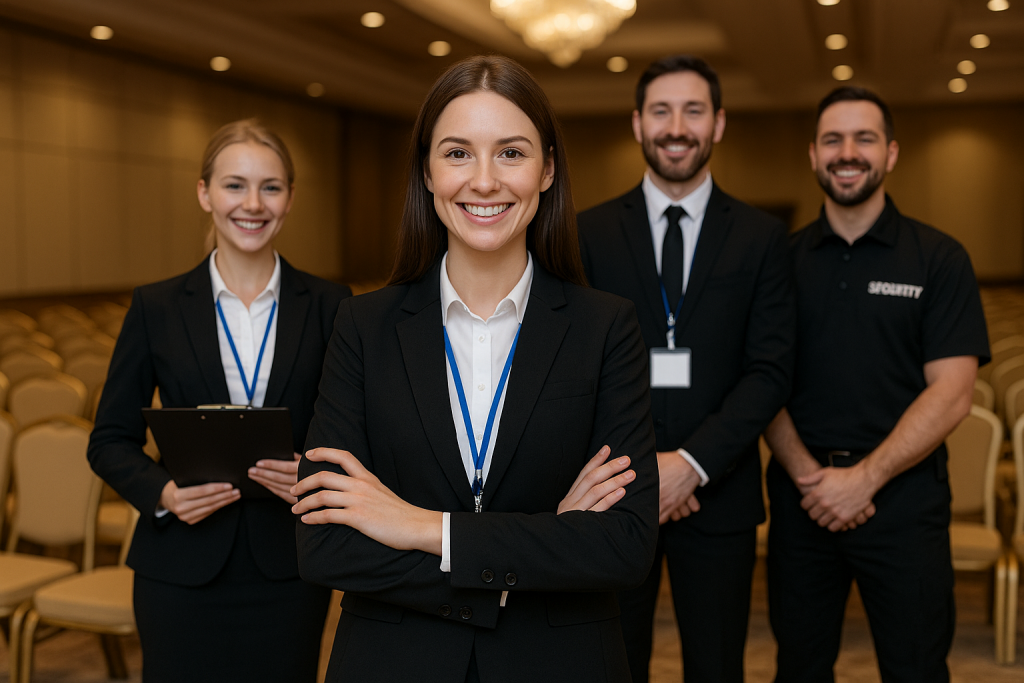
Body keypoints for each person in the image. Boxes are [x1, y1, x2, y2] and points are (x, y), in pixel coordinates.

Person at [290, 55, 659, 683]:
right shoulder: (362, 326)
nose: (484, 181)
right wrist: (539, 547)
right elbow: (325, 545)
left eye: (510, 153)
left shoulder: (605, 327)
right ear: (427, 174)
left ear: (546, 170)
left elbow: (623, 545)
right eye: (458, 153)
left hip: (559, 664)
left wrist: (416, 527)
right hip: (395, 663)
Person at [87, 119, 351, 682]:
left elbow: (357, 434)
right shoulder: (155, 307)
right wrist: (162, 493)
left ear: (290, 198)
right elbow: (109, 441)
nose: (252, 203)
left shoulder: (332, 305)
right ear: (204, 193)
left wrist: (312, 471)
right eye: (234, 185)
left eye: (270, 187)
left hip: (289, 567)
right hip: (178, 566)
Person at [577, 55, 795, 683]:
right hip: (615, 494)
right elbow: (577, 368)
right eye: (662, 111)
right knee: (611, 664)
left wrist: (690, 466)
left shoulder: (761, 237)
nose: (677, 126)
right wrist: (647, 471)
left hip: (719, 497)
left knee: (718, 665)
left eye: (693, 111)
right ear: (638, 124)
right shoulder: (587, 233)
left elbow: (770, 370)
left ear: (719, 124)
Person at [763, 86, 990, 683]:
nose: (848, 152)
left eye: (864, 138)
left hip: (905, 503)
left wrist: (864, 479)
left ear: (890, 154)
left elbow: (953, 392)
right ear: (813, 155)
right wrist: (813, 479)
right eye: (833, 139)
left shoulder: (939, 258)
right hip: (800, 501)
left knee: (915, 668)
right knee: (799, 668)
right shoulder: (777, 263)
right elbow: (762, 381)